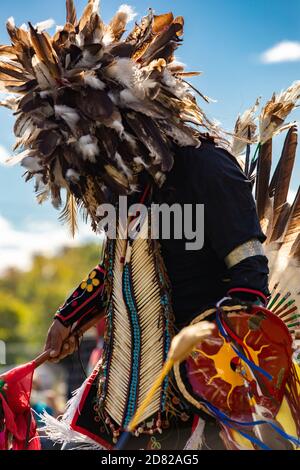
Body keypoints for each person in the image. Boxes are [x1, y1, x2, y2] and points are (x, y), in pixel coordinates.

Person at [1, 0, 299, 450]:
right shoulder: (126, 188)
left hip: (197, 396)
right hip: (125, 390)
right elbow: (117, 268)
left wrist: (213, 361)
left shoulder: (206, 167)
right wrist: (70, 318)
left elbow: (250, 275)